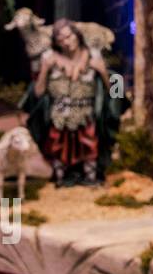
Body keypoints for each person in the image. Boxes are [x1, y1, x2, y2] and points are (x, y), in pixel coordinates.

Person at [23, 20, 122, 187]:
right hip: (60, 114)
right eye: (61, 39)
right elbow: (38, 92)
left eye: (69, 36)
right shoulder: (51, 59)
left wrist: (103, 71)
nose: (66, 42)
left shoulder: (92, 56)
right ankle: (62, 177)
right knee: (58, 145)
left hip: (86, 113)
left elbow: (114, 91)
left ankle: (91, 177)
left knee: (89, 144)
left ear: (77, 35)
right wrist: (45, 70)